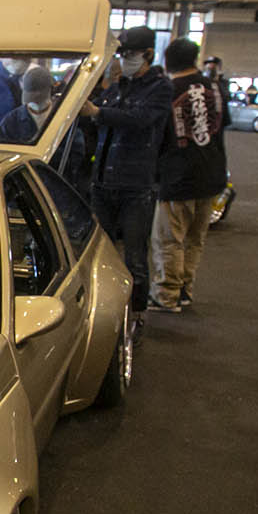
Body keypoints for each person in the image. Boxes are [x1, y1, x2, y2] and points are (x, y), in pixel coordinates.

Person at [81, 26, 173, 313]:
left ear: (148, 54)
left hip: (136, 186)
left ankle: (136, 313)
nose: (125, 60)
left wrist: (98, 113)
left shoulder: (160, 89)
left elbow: (139, 119)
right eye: (122, 55)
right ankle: (106, 310)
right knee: (101, 254)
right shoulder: (118, 88)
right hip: (103, 181)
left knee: (134, 256)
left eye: (130, 55)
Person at [150, 38, 227, 313]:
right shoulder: (214, 88)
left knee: (169, 239)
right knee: (195, 239)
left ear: (167, 60)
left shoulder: (167, 90)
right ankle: (184, 290)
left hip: (178, 175)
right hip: (212, 173)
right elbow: (222, 124)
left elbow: (158, 134)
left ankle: (166, 296)